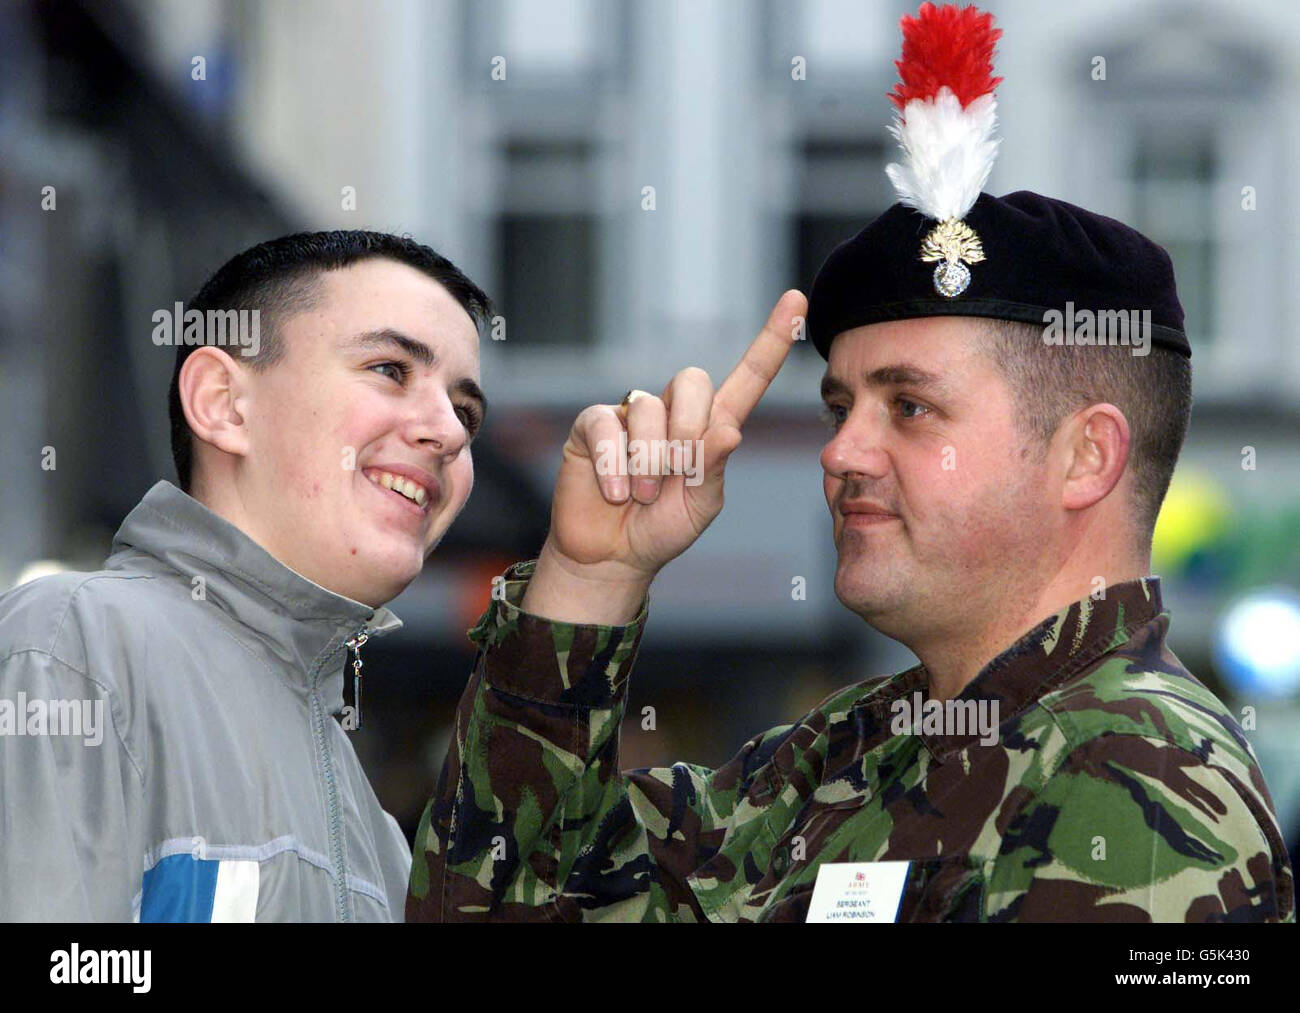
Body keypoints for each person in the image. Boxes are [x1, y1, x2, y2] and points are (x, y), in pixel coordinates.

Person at [406, 3, 1294, 922]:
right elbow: (492, 904)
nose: (841, 451)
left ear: (1087, 457)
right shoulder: (852, 750)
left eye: (909, 406)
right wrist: (587, 580)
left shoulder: (1136, 772)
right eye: (841, 406)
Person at [0, 230, 490, 921]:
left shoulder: (378, 835)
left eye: (466, 411)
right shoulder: (73, 644)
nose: (448, 431)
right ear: (224, 403)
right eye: (389, 368)